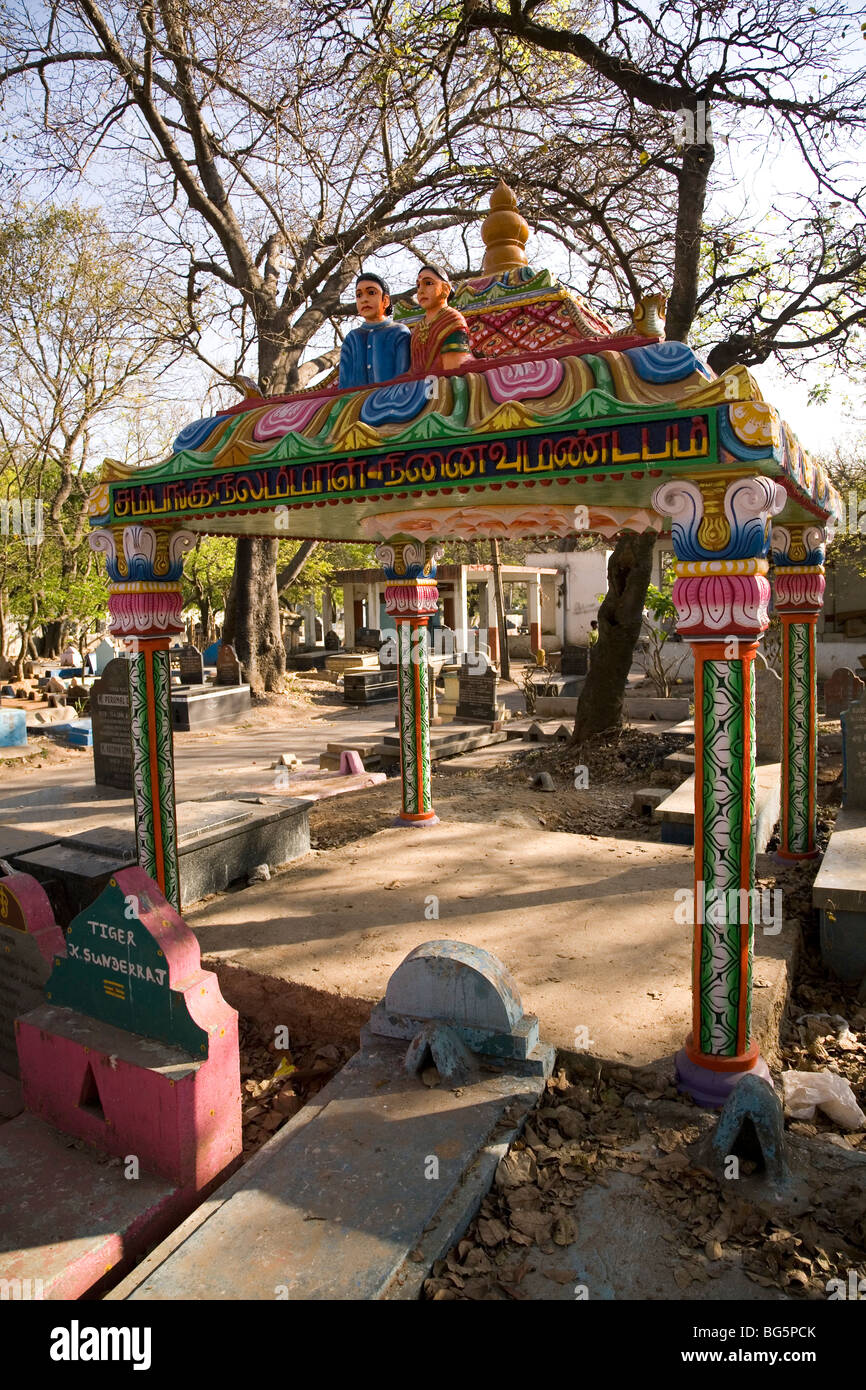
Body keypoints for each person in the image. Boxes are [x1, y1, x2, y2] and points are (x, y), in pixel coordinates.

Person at [338, 272, 411, 389]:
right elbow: (344, 384)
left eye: (371, 293)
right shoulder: (352, 338)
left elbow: (403, 378)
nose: (364, 299)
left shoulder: (399, 332)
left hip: (393, 400)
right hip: (354, 402)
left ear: (385, 300)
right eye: (359, 295)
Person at [410, 264, 471, 375]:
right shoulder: (418, 328)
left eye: (428, 283)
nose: (420, 291)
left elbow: (454, 364)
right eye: (418, 286)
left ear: (445, 288)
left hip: (444, 380)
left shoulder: (452, 319)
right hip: (417, 383)